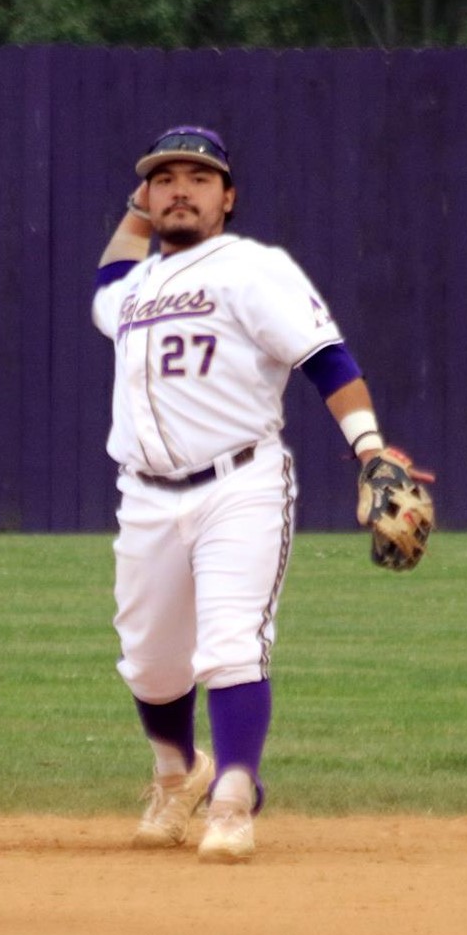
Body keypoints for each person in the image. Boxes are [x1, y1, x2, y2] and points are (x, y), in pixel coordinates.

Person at [91, 125, 416, 863]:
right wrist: (133, 212)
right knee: (148, 664)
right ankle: (179, 774)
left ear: (227, 198)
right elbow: (106, 283)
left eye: (199, 178)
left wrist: (368, 449)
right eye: (165, 177)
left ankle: (234, 796)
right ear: (147, 195)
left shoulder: (251, 269)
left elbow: (327, 359)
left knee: (232, 645)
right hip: (144, 495)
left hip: (240, 482)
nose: (181, 188)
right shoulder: (135, 288)